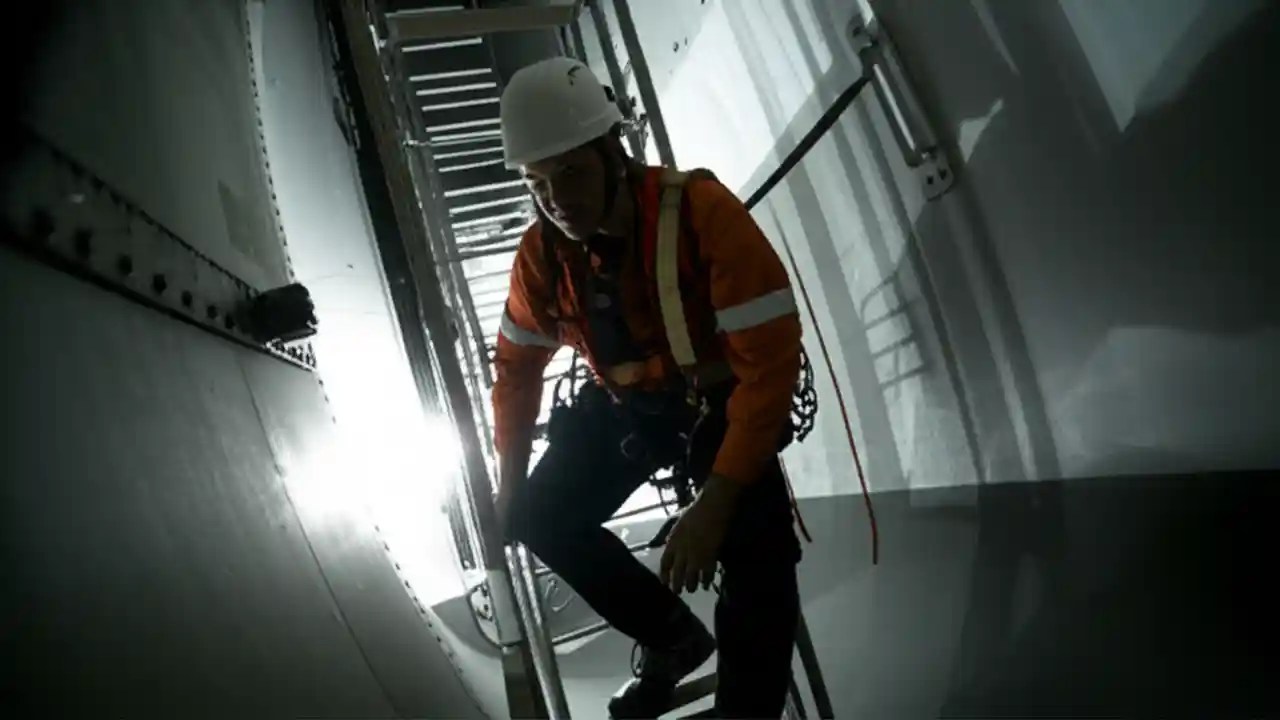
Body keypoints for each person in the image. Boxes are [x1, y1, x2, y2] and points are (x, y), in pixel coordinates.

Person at [492, 56, 803, 719]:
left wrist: (716, 502)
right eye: (537, 183)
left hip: (723, 406)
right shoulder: (543, 257)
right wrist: (508, 484)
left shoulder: (699, 213)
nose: (556, 199)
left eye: (571, 173)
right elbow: (517, 373)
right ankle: (671, 639)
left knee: (761, 564)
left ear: (613, 153)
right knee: (536, 513)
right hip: (631, 410)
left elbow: (769, 368)